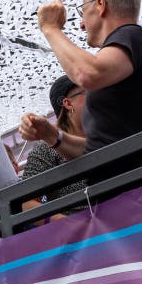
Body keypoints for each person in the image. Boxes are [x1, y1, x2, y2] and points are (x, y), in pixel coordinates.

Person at [20, 0, 142, 158]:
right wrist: (52, 135)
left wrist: (50, 28)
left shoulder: (131, 35)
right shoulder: (129, 50)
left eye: (82, 12)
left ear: (100, 4)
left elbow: (88, 74)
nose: (81, 25)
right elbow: (97, 151)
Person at [22, 74, 88, 219]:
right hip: (85, 236)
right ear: (68, 103)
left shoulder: (108, 131)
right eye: (88, 91)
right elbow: (27, 202)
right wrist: (67, 223)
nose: (97, 96)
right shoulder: (45, 148)